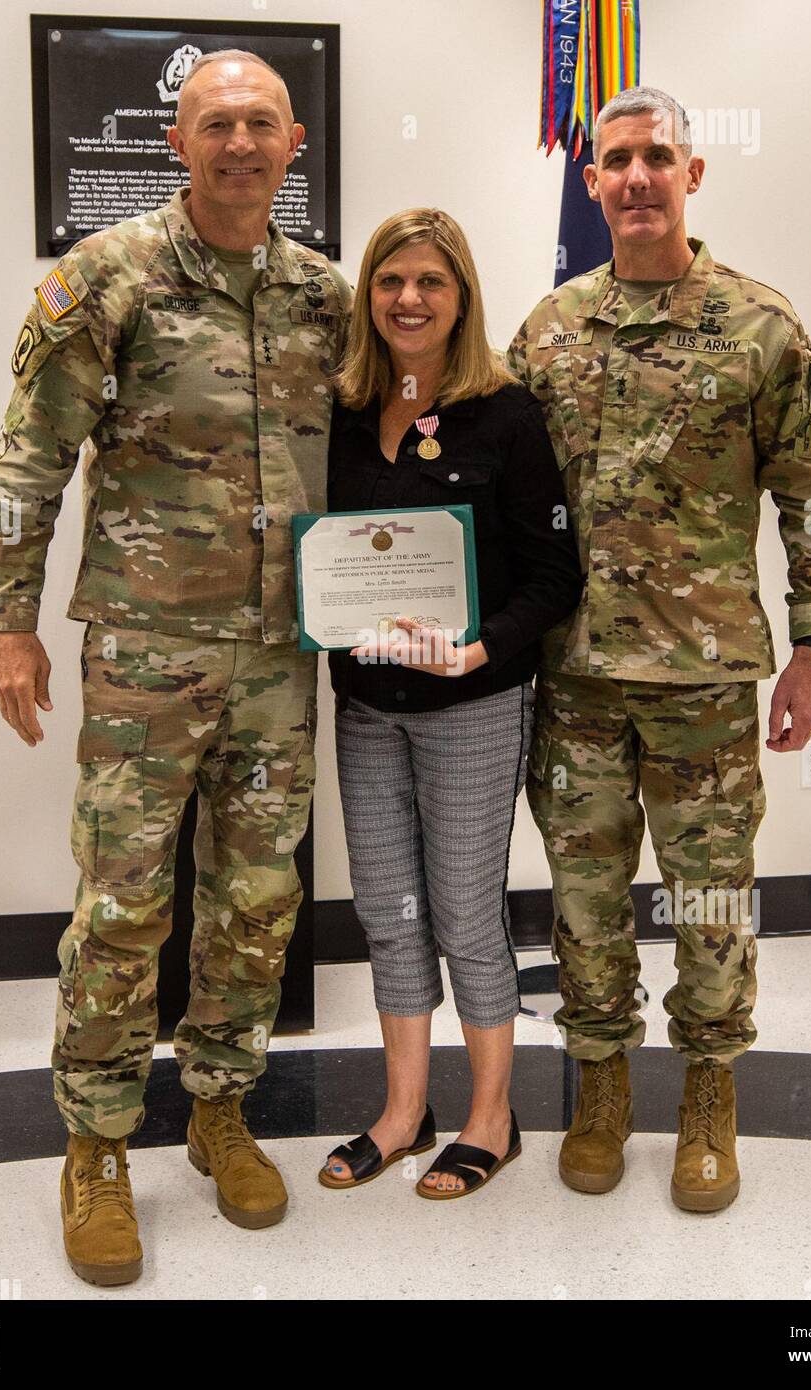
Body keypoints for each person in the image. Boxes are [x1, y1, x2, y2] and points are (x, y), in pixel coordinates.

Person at [0, 50, 351, 1284]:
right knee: (125, 905)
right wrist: (12, 621)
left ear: (295, 142)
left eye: (260, 123)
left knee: (255, 902)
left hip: (281, 656)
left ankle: (220, 1109)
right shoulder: (108, 277)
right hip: (146, 647)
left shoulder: (322, 295)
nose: (239, 144)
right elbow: (29, 458)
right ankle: (94, 1144)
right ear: (175, 143)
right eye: (214, 125)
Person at [506, 86, 811, 1212]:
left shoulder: (760, 327)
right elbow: (499, 494)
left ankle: (710, 1092)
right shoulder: (547, 330)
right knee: (585, 896)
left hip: (705, 678)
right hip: (573, 680)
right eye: (616, 160)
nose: (638, 176)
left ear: (690, 175)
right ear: (593, 180)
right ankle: (601, 1086)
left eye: (658, 155)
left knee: (710, 898)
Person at [319, 209, 584, 1200]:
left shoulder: (505, 414)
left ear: (460, 295)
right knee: (388, 913)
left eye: (429, 280)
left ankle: (490, 1116)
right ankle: (401, 1111)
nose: (408, 299)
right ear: (368, 298)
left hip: (470, 702)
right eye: (390, 280)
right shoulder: (344, 407)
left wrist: (477, 647)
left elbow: (554, 573)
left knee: (467, 912)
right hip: (365, 704)